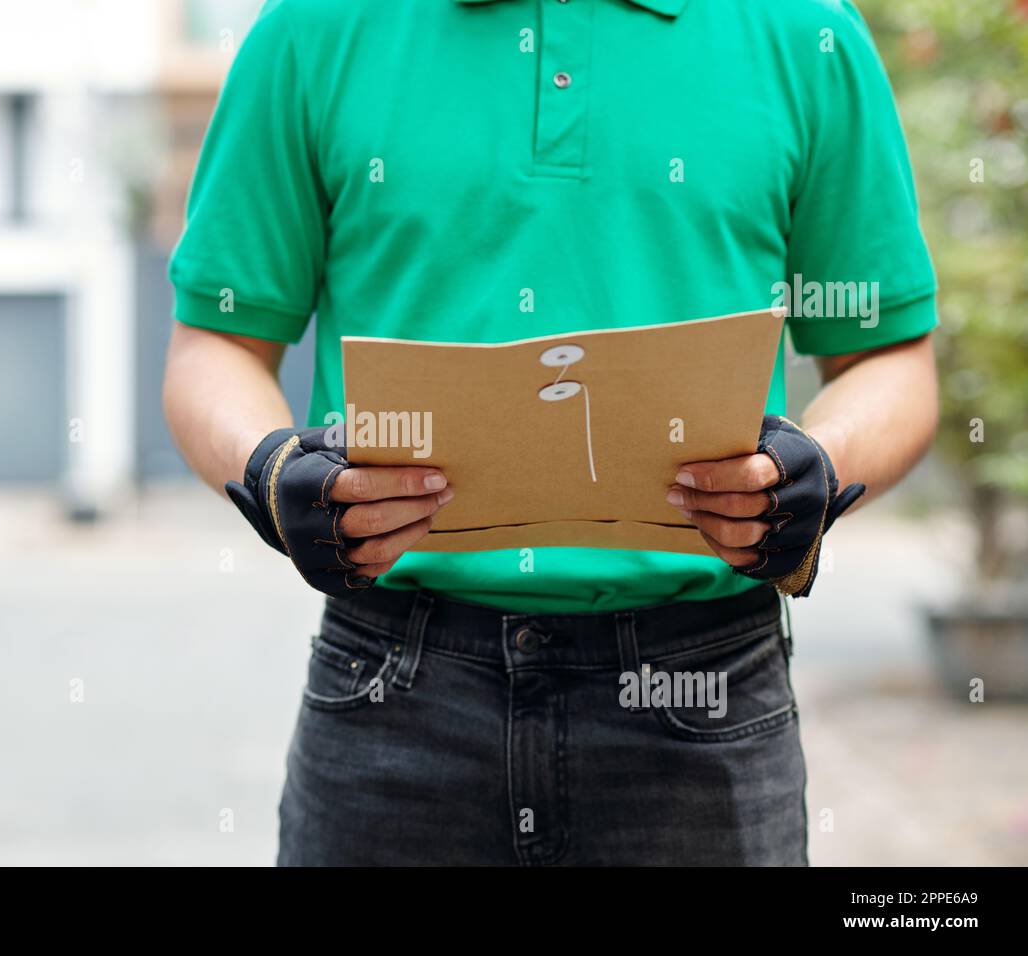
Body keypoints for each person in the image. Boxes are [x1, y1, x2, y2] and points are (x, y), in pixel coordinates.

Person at [162, 0, 938, 865]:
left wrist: (820, 468)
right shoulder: (314, 25)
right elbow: (213, 346)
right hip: (392, 684)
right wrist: (270, 470)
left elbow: (891, 362)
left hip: (702, 693)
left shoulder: (802, 30)